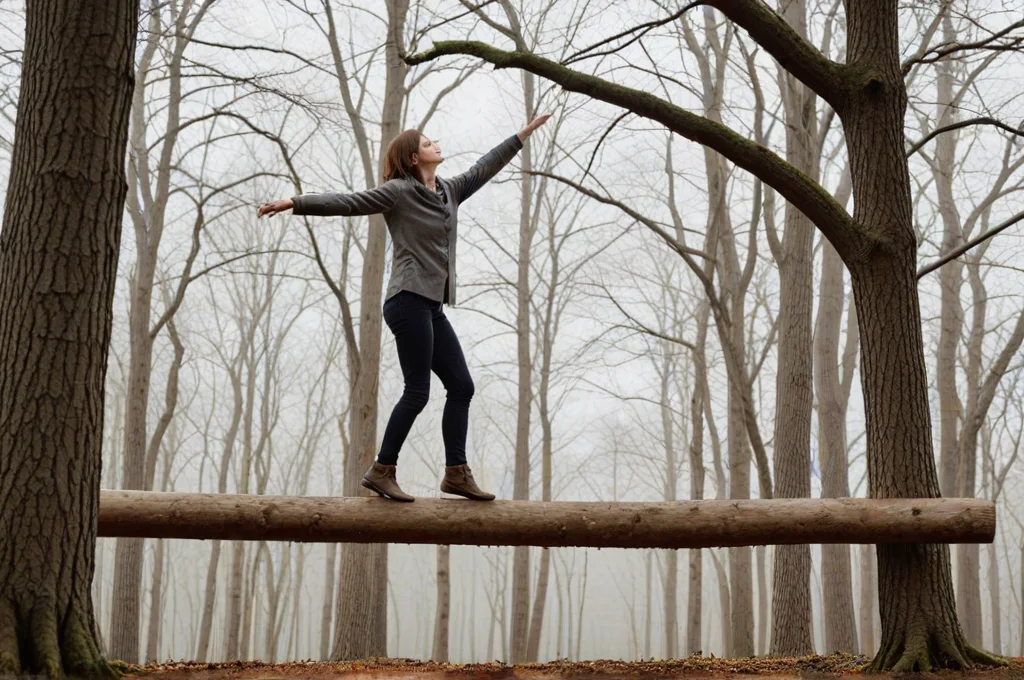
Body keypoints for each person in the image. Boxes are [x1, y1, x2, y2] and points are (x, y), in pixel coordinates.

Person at [257, 115, 551, 502]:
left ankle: (456, 473)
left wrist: (520, 136)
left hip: (430, 305)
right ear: (414, 157)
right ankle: (382, 470)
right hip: (406, 300)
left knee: (461, 385)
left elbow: (485, 166)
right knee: (418, 391)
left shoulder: (451, 190)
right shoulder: (398, 192)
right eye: (429, 144)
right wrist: (295, 203)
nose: (437, 145)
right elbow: (349, 202)